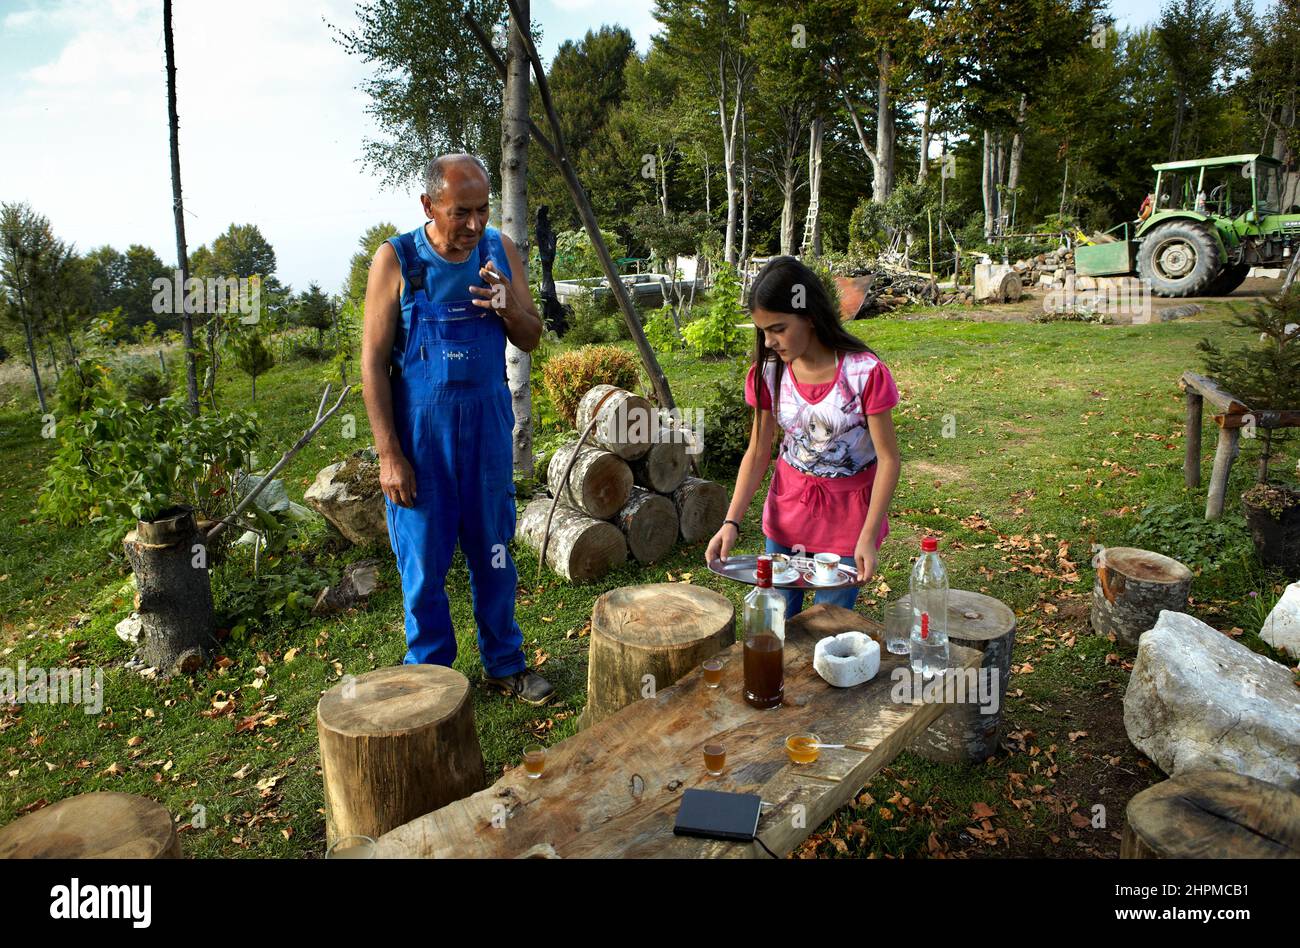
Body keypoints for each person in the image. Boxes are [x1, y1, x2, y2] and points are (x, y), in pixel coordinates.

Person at [361, 153, 554, 705]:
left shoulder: (500, 250)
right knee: (423, 561)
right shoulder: (396, 260)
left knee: (494, 550)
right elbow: (373, 363)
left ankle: (504, 661)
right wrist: (388, 454)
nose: (473, 224)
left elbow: (532, 335)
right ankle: (431, 679)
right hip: (423, 440)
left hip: (487, 432)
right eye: (460, 212)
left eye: (482, 210)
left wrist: (507, 307)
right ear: (429, 205)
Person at [704, 256, 901, 617]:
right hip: (786, 514)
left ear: (809, 316)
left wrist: (868, 536)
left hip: (847, 522)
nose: (769, 342)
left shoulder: (863, 373)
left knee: (827, 625)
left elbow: (888, 459)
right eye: (763, 331)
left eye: (778, 328)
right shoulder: (768, 374)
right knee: (778, 619)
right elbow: (759, 451)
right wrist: (730, 522)